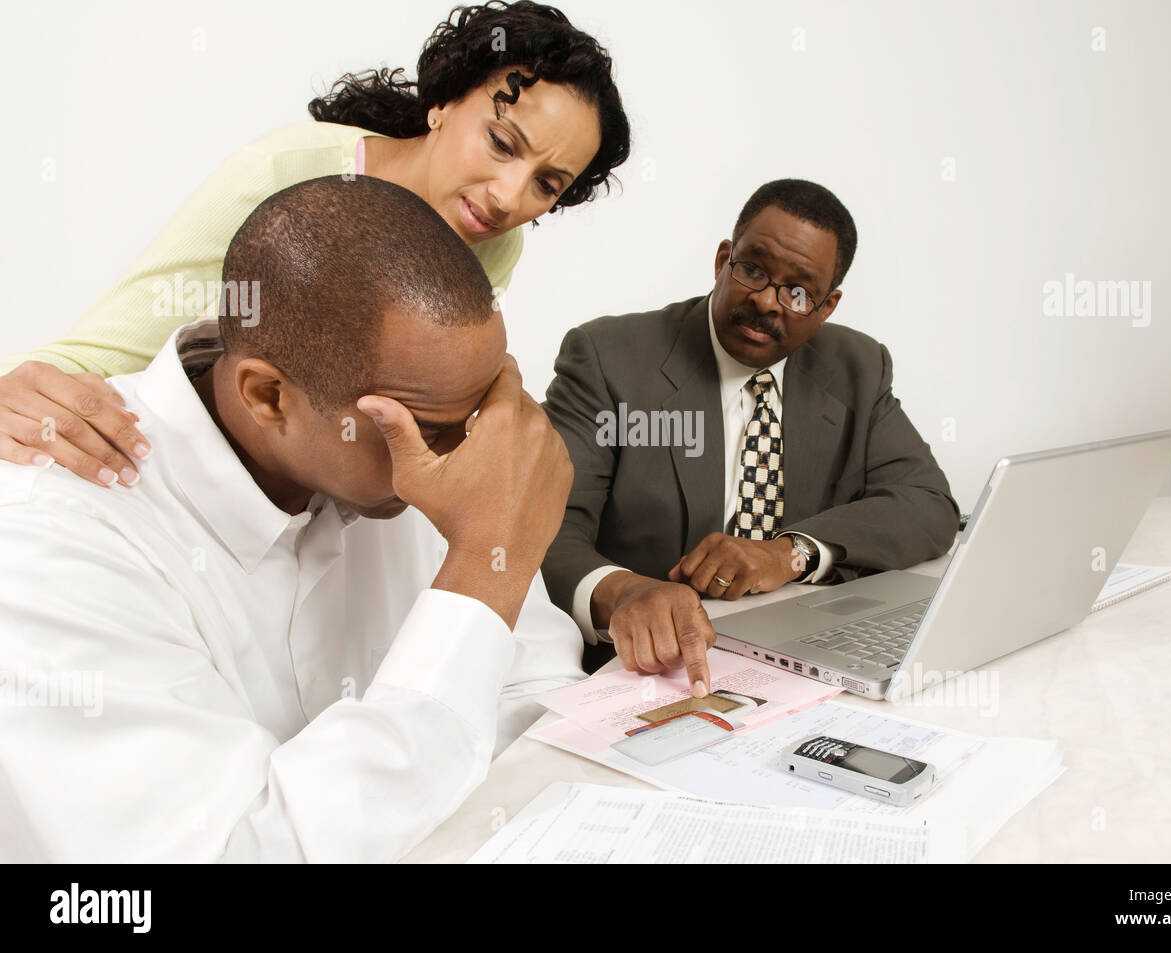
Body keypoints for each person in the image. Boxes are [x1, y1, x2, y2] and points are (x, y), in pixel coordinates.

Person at [0, 175, 583, 862]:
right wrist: (487, 560)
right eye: (426, 428)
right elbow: (238, 851)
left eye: (481, 415)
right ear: (268, 396)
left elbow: (539, 694)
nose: (468, 460)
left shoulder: (415, 431)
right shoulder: (52, 536)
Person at [0, 0, 629, 489]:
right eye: (501, 142)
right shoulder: (281, 175)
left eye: (547, 184)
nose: (507, 197)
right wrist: (19, 394)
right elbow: (103, 352)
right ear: (442, 102)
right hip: (172, 474)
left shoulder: (492, 244)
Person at [541, 179, 962, 694]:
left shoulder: (858, 366)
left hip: (795, 659)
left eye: (799, 292)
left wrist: (788, 554)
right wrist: (623, 591)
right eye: (753, 270)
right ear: (723, 261)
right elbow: (543, 527)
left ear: (827, 307)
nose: (766, 301)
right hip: (646, 670)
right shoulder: (608, 358)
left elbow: (927, 503)